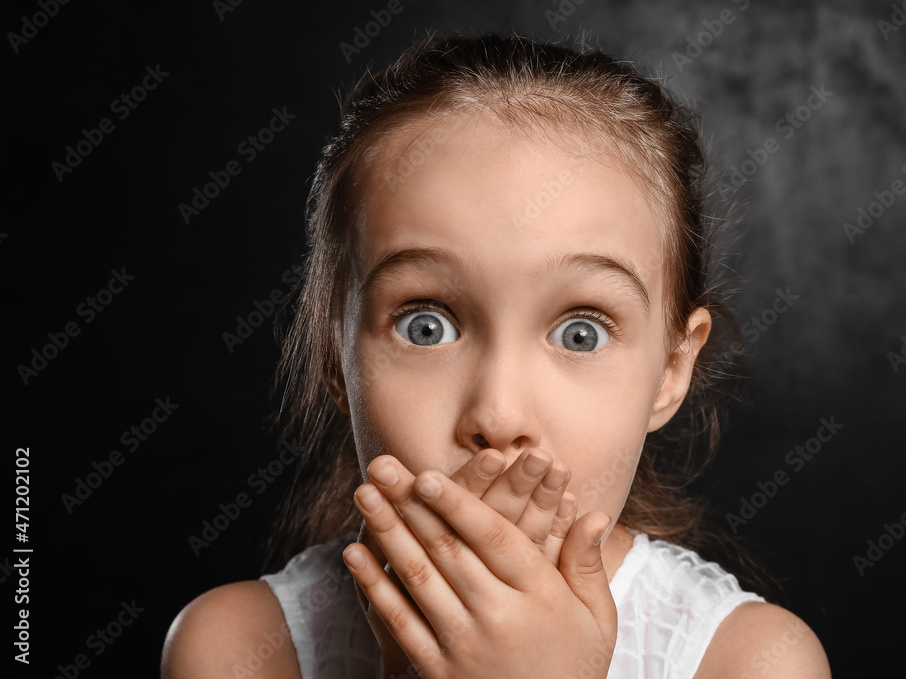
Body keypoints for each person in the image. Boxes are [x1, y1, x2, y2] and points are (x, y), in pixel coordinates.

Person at [161, 32, 831, 679]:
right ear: (336, 356)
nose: (499, 413)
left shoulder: (748, 661)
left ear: (670, 371)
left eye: (581, 332)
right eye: (426, 325)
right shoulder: (234, 647)